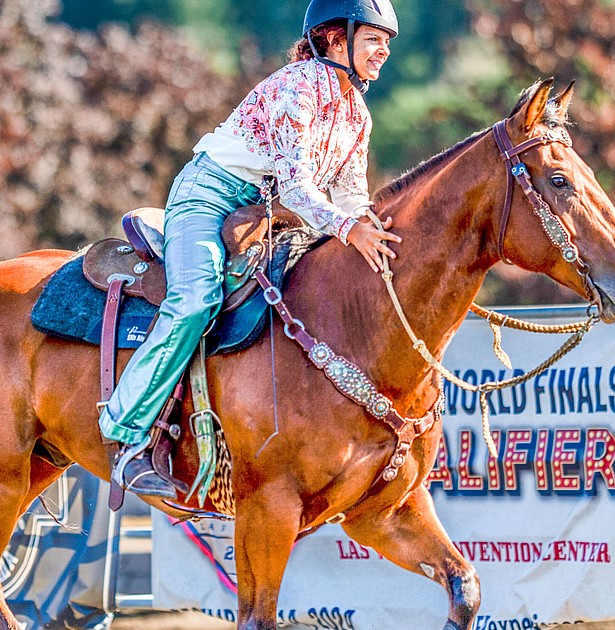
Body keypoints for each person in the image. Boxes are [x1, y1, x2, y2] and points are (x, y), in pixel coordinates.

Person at [100, 0, 404, 498]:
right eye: (374, 39)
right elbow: (300, 189)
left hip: (265, 212)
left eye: (387, 42)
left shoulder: (359, 116)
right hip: (209, 194)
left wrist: (381, 233)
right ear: (335, 39)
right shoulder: (297, 87)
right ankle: (124, 433)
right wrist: (351, 229)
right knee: (195, 300)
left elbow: (351, 197)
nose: (384, 51)